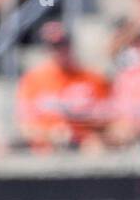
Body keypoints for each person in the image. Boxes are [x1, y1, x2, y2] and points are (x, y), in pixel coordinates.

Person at [16, 22, 110, 151]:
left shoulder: (93, 78)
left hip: (84, 143)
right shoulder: (33, 79)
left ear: (71, 45)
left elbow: (110, 120)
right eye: (54, 47)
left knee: (95, 147)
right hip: (46, 147)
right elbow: (26, 128)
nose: (60, 51)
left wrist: (86, 132)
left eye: (63, 44)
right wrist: (51, 135)